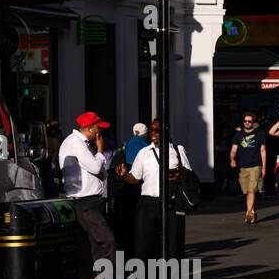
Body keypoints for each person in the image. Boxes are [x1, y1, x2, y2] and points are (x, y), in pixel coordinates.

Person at [124, 120, 192, 263]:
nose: (153, 133)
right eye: (151, 130)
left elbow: (189, 174)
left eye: (157, 130)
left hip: (171, 202)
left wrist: (180, 175)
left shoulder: (177, 150)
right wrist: (124, 175)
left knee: (172, 244)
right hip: (148, 202)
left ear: (166, 131)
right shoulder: (144, 153)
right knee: (144, 243)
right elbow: (135, 178)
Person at [59, 111, 116, 267]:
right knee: (106, 241)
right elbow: (96, 167)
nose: (100, 133)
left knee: (94, 245)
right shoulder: (76, 143)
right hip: (85, 202)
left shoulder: (80, 143)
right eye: (99, 129)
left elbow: (100, 173)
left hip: (88, 202)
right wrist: (100, 150)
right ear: (91, 128)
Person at [229, 112, 268, 224]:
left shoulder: (260, 134)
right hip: (243, 166)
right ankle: (252, 210)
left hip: (256, 165)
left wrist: (264, 167)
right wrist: (232, 159)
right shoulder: (238, 135)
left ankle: (248, 213)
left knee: (251, 190)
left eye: (249, 121)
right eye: (245, 121)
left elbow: (263, 151)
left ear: (253, 122)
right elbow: (233, 150)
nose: (247, 123)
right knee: (246, 192)